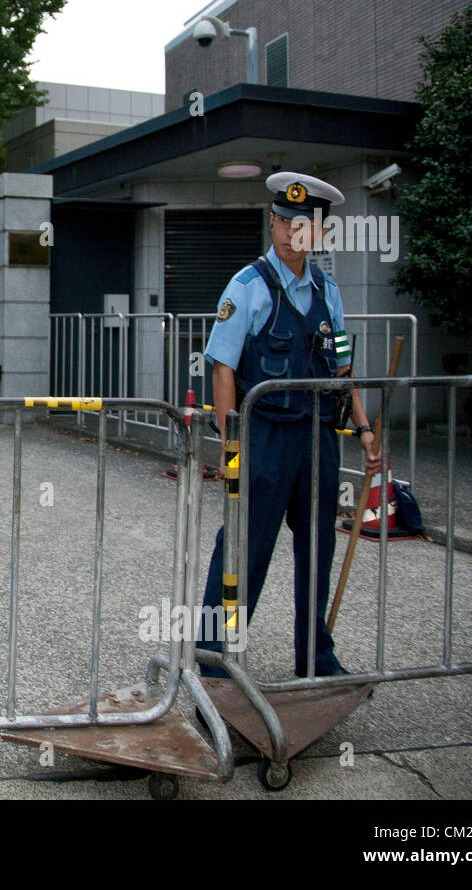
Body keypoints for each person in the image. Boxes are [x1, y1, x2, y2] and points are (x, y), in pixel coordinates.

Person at [196, 171, 381, 678]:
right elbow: (223, 367)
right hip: (264, 440)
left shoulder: (328, 291)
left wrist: (364, 430)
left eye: (299, 225)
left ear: (318, 234)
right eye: (280, 221)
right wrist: (230, 438)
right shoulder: (248, 286)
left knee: (317, 550)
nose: (286, 232)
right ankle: (213, 659)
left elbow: (343, 369)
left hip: (319, 439)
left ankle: (315, 659)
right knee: (243, 548)